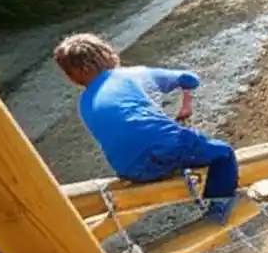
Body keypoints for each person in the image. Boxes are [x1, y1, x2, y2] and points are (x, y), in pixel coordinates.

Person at [53, 34, 239, 224]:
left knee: (158, 149)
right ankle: (219, 206)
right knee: (223, 154)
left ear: (71, 76)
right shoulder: (131, 74)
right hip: (167, 148)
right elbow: (190, 79)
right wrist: (184, 94)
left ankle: (174, 171)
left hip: (130, 169)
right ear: (108, 53)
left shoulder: (83, 104)